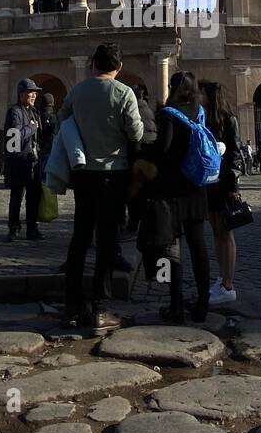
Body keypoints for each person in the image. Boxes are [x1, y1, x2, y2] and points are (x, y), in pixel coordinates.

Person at [56, 43, 143, 331]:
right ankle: (97, 308)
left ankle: (71, 304)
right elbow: (136, 132)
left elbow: (62, 119)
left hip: (83, 174)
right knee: (106, 240)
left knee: (80, 236)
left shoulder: (77, 91)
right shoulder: (124, 92)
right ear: (118, 67)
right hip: (112, 175)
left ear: (93, 64)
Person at [141, 71, 210, 323]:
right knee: (199, 245)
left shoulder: (170, 114)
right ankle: (203, 303)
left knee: (171, 247)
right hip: (197, 187)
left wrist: (145, 149)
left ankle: (176, 304)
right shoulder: (200, 112)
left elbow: (164, 151)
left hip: (173, 189)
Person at [201, 81, 240, 307]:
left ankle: (228, 285)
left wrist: (234, 187)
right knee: (217, 232)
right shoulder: (205, 119)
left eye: (201, 93)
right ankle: (221, 278)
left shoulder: (229, 120)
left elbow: (234, 155)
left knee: (226, 233)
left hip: (224, 183)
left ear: (210, 96)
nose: (198, 96)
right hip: (210, 183)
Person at [4, 79, 45, 241]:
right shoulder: (14, 111)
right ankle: (13, 228)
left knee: (33, 197)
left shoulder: (34, 111)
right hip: (19, 161)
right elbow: (14, 136)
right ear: (21, 94)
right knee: (16, 197)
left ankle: (32, 228)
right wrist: (32, 128)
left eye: (35, 92)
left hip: (33, 161)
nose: (33, 95)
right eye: (30, 92)